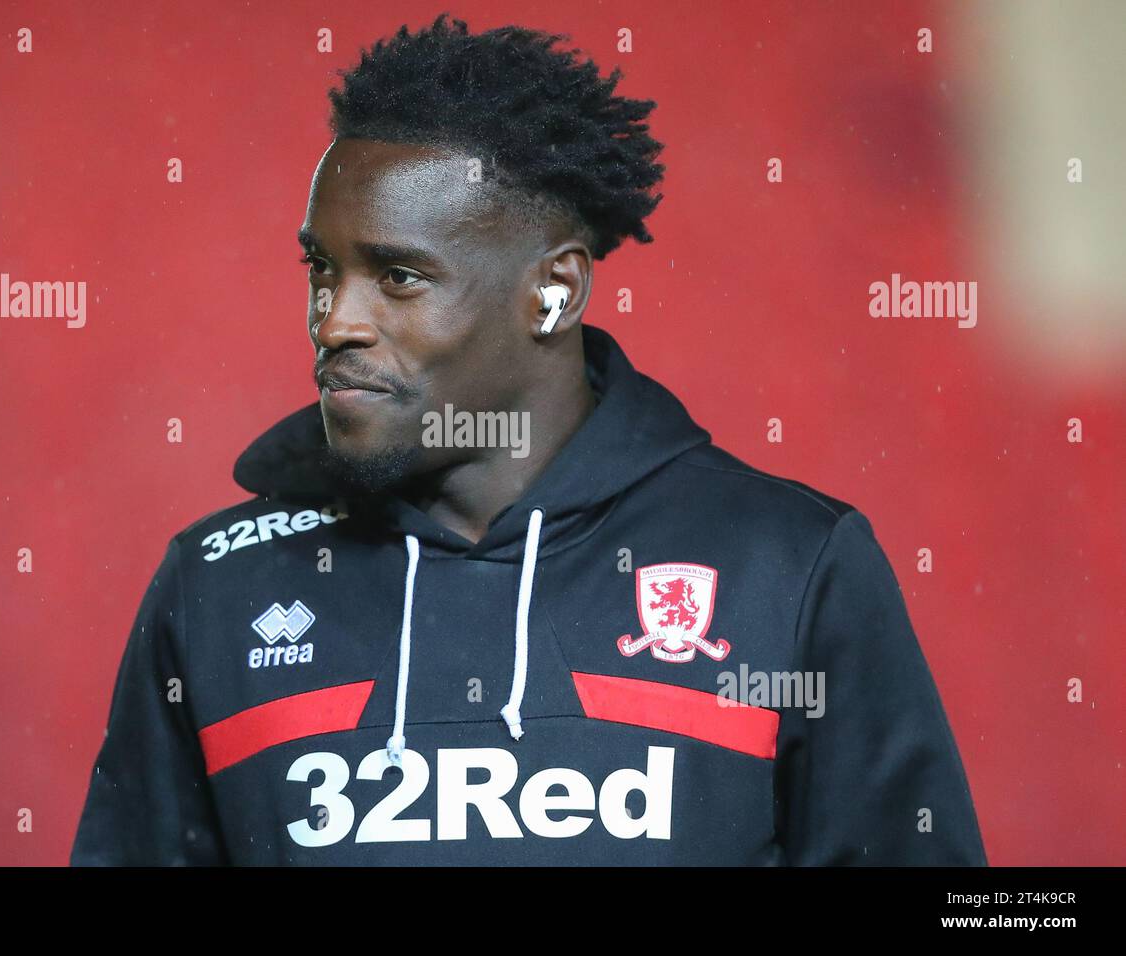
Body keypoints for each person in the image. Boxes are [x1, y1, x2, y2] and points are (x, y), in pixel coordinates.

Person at [71, 13, 986, 865]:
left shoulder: (786, 566)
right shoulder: (218, 588)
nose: (334, 319)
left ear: (554, 292)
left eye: (397, 276)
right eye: (322, 269)